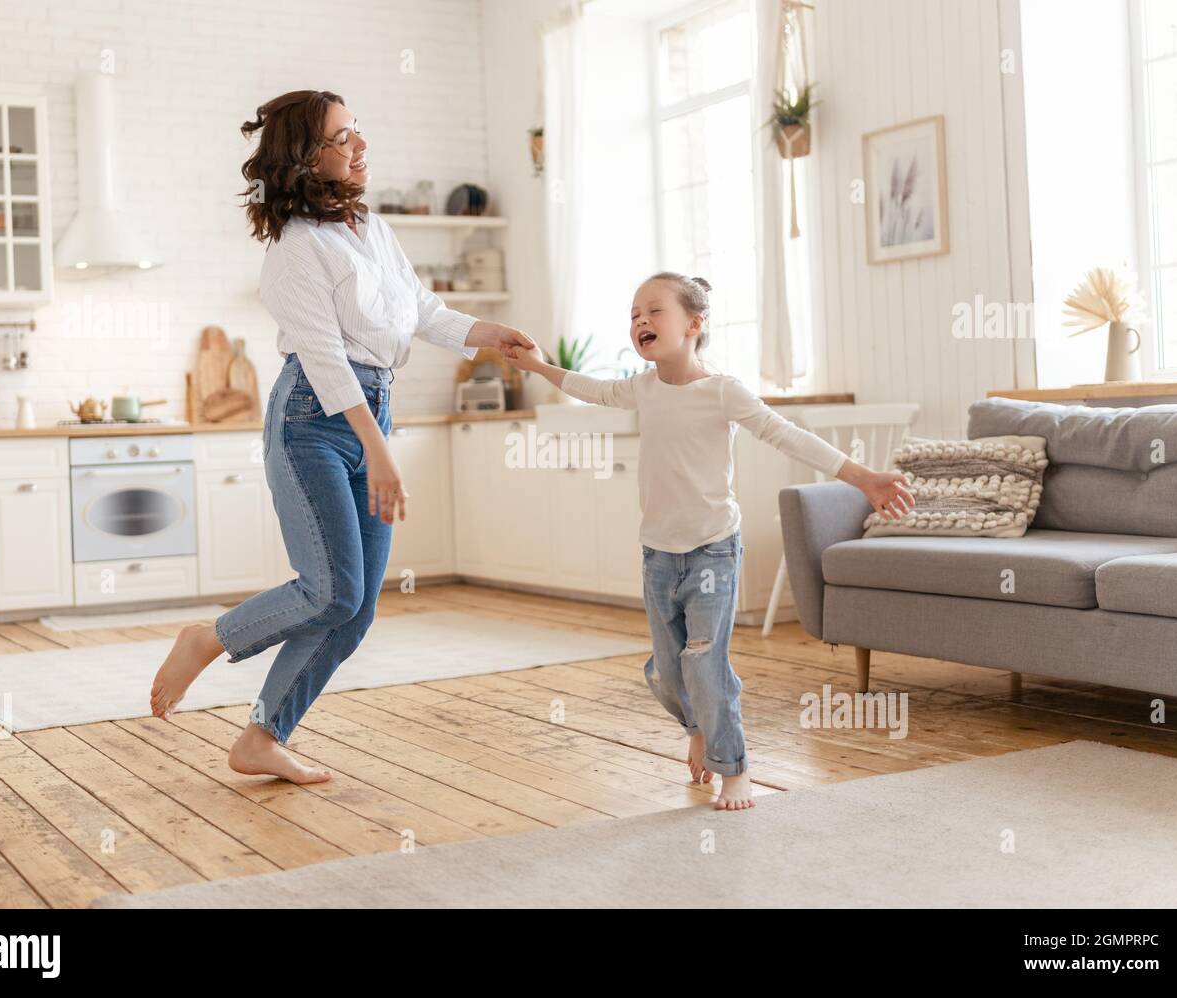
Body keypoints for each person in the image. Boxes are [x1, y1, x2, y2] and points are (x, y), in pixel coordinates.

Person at [149, 90, 535, 784]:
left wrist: (488, 335)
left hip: (372, 415)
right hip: (313, 425)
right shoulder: (295, 251)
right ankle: (207, 639)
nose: (361, 144)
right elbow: (326, 361)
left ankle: (262, 736)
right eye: (342, 136)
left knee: (353, 612)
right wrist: (380, 449)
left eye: (357, 130)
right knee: (330, 589)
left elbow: (422, 311)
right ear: (306, 157)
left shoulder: (372, 230)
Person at [502, 272, 913, 808]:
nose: (640, 321)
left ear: (695, 324)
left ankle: (733, 766)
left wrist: (863, 478)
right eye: (633, 314)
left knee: (705, 660)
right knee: (667, 669)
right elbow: (592, 388)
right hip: (657, 553)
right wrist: (535, 365)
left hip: (713, 550)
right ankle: (697, 724)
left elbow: (786, 434)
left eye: (654, 311)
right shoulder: (641, 388)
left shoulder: (723, 391)